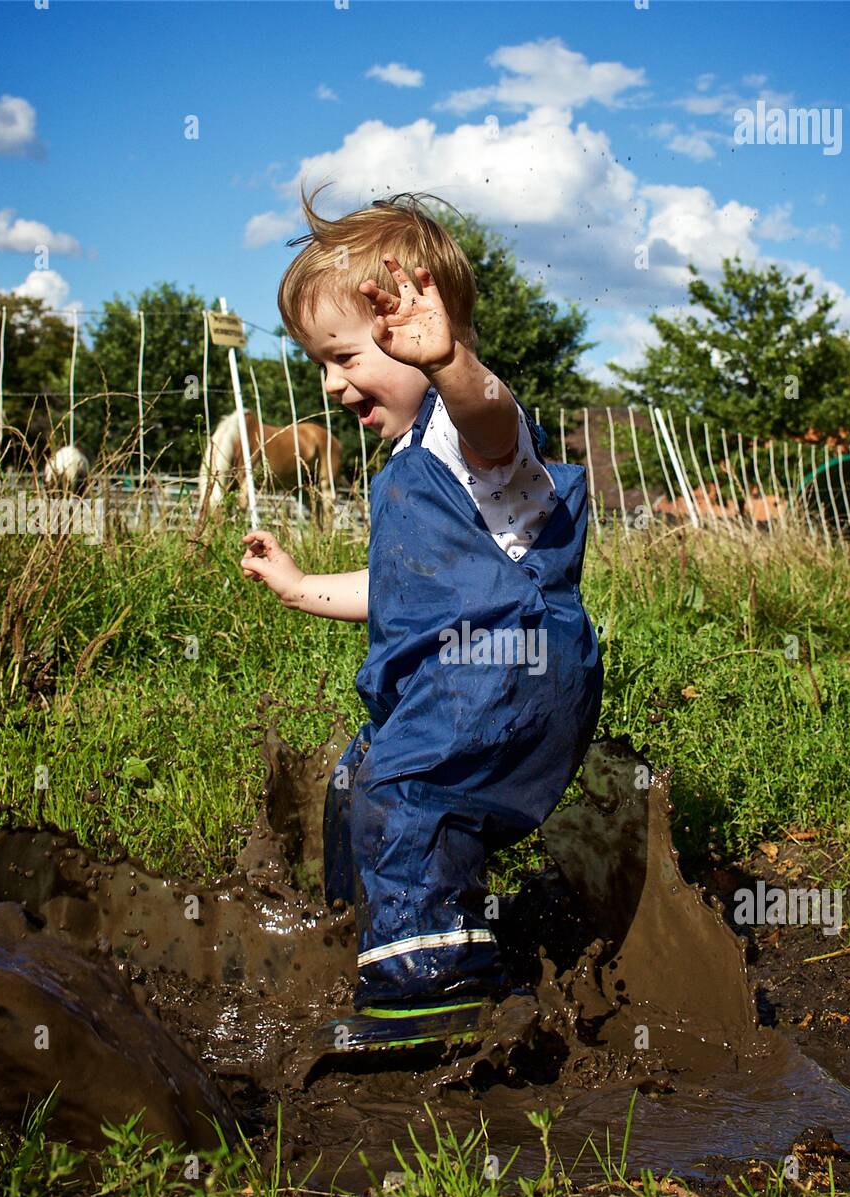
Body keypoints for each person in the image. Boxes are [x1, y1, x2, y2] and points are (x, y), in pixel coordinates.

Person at [240, 184, 603, 1050]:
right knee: (358, 777)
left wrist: (451, 364)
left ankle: (432, 989)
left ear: (416, 329)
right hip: (465, 683)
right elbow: (399, 590)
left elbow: (493, 419)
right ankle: (373, 936)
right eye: (318, 366)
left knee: (406, 789)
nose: (331, 386)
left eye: (345, 356)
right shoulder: (407, 463)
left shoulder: (462, 427)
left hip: (507, 672)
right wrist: (297, 589)